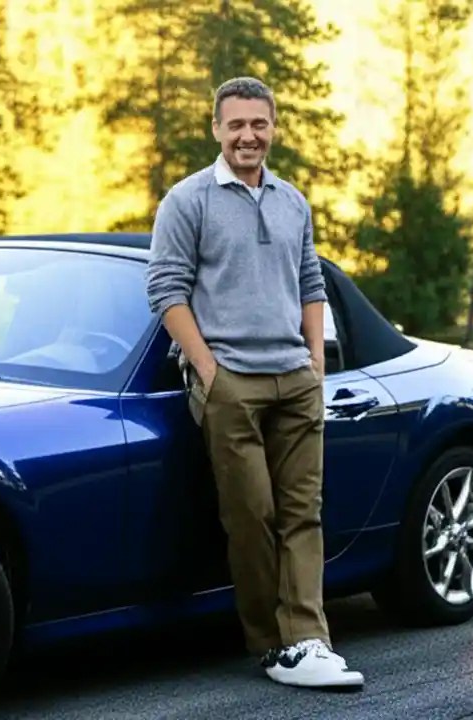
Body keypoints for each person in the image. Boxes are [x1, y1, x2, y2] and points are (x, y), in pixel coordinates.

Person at [144, 76, 364, 689]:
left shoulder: (293, 201)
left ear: (273, 128)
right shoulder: (187, 201)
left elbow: (310, 284)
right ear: (216, 129)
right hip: (231, 382)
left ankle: (309, 640)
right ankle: (272, 646)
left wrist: (314, 367)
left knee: (303, 514)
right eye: (236, 124)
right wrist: (209, 373)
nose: (248, 135)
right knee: (253, 516)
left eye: (258, 124)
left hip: (293, 377)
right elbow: (166, 289)